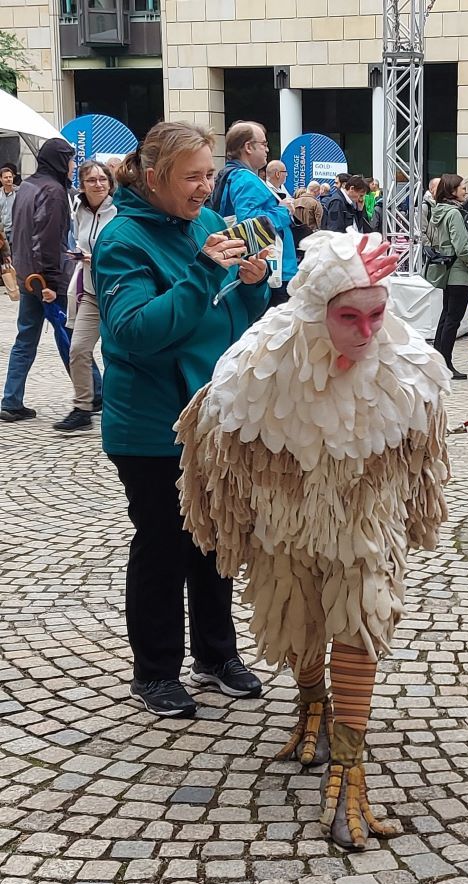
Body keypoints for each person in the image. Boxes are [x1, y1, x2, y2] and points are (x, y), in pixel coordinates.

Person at [176, 230, 450, 849]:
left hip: (364, 524)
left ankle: (349, 768)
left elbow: (423, 453)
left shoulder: (406, 367)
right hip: (285, 522)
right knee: (295, 613)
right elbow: (213, 443)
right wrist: (231, 521)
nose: (367, 332)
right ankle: (310, 705)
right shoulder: (258, 365)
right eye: (349, 317)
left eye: (376, 314)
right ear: (316, 310)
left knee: (360, 618)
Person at [93, 121, 270, 719]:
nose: (204, 187)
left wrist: (252, 285)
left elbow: (234, 318)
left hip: (212, 417)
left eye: (209, 175)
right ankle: (155, 671)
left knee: (215, 538)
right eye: (191, 177)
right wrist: (203, 271)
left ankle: (216, 655)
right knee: (164, 545)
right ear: (153, 177)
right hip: (152, 426)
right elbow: (135, 331)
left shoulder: (208, 224)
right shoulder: (122, 241)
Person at [0, 139, 97, 423]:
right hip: (46, 279)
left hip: (28, 276)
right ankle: (95, 392)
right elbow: (48, 240)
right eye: (70, 160)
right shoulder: (53, 191)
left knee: (26, 338)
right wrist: (52, 284)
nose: (73, 166)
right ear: (59, 161)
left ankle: (11, 400)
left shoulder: (28, 185)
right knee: (70, 336)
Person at [54, 160, 117, 433]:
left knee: (117, 352)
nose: (98, 184)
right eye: (91, 180)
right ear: (82, 185)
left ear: (110, 183)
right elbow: (80, 240)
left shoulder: (119, 210)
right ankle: (82, 408)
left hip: (118, 292)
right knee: (78, 349)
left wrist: (98, 258)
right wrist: (82, 256)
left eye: (103, 179)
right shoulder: (79, 209)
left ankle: (119, 406)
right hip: (91, 292)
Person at [210, 121, 296, 307]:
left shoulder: (230, 175)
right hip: (270, 271)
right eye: (264, 144)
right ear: (248, 147)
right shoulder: (245, 178)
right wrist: (284, 210)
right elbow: (251, 223)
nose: (267, 149)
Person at [424, 174, 468, 380]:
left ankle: (439, 360)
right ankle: (445, 363)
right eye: (462, 187)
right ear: (452, 191)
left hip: (447, 269)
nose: (466, 190)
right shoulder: (454, 213)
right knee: (452, 319)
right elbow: (461, 245)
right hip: (459, 271)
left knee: (446, 316)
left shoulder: (438, 210)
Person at [0, 165, 17, 245]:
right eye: (6, 177)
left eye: (10, 177)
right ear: (1, 179)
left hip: (15, 231)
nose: (9, 179)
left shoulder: (19, 193)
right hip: (1, 232)